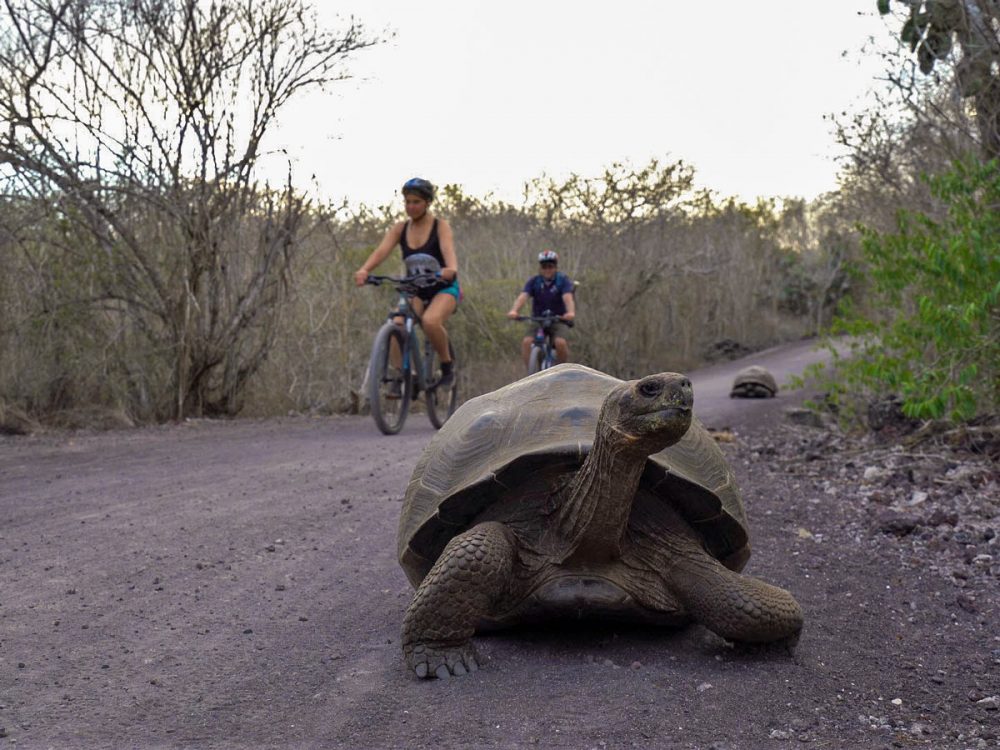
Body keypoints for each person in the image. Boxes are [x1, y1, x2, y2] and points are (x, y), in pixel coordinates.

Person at [354, 177, 459, 389]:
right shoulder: (400, 229)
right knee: (396, 323)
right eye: (408, 202)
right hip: (416, 289)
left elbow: (449, 252)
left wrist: (450, 269)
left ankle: (448, 367)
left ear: (427, 202)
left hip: (444, 288)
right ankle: (403, 375)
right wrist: (365, 270)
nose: (411, 206)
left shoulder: (440, 226)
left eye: (416, 202)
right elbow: (382, 251)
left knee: (430, 321)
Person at [506, 250, 576, 366]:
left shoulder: (562, 280)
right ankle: (531, 373)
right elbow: (523, 296)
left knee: (560, 343)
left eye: (550, 266)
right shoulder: (534, 281)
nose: (547, 269)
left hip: (558, 319)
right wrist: (514, 310)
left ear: (555, 267)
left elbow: (567, 297)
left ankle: (561, 370)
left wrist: (570, 312)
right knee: (526, 342)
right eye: (544, 267)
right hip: (538, 319)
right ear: (540, 268)